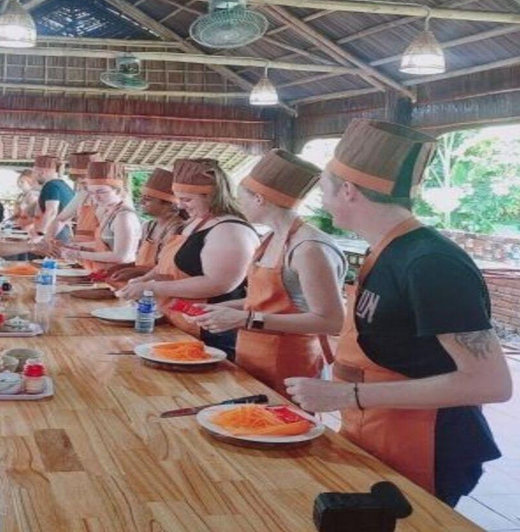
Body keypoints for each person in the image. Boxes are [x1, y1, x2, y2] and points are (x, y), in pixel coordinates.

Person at [285, 119, 512, 507]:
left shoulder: (430, 263)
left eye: (323, 190)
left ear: (349, 191)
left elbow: (491, 384)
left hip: (427, 441)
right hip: (376, 427)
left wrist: (348, 394)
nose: (321, 201)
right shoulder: (385, 250)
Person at [194, 149, 346, 394]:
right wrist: (225, 309)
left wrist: (248, 319)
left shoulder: (309, 248)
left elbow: (332, 321)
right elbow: (265, 301)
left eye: (241, 197)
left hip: (291, 361)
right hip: (253, 353)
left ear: (259, 199)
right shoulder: (270, 237)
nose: (237, 204)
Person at [119, 158, 258, 359]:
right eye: (179, 198)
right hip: (178, 320)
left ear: (212, 196)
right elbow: (166, 265)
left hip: (210, 329)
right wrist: (143, 280)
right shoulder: (195, 222)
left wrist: (153, 287)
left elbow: (218, 284)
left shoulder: (230, 230)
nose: (181, 206)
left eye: (187, 199)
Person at [108, 167, 186, 287]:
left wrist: (136, 271)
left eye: (147, 200)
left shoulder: (177, 229)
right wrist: (124, 267)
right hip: (141, 285)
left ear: (170, 204)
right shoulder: (149, 226)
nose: (140, 202)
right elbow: (143, 263)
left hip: (161, 288)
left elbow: (169, 269)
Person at [62, 160, 141, 278]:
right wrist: (79, 246)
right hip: (106, 273)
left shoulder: (123, 217)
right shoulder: (109, 211)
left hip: (120, 275)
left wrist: (78, 254)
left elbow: (121, 256)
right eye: (92, 193)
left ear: (118, 191)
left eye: (101, 192)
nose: (96, 197)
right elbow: (105, 244)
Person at [47, 151, 101, 244]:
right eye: (80, 183)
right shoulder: (83, 194)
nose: (84, 187)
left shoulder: (116, 199)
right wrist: (48, 239)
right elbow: (60, 220)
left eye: (85, 183)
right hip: (82, 251)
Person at [32, 155, 74, 242]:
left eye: (34, 172)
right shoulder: (64, 186)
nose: (33, 176)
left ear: (42, 172)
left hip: (55, 235)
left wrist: (39, 234)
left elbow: (52, 212)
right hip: (64, 233)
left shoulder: (50, 186)